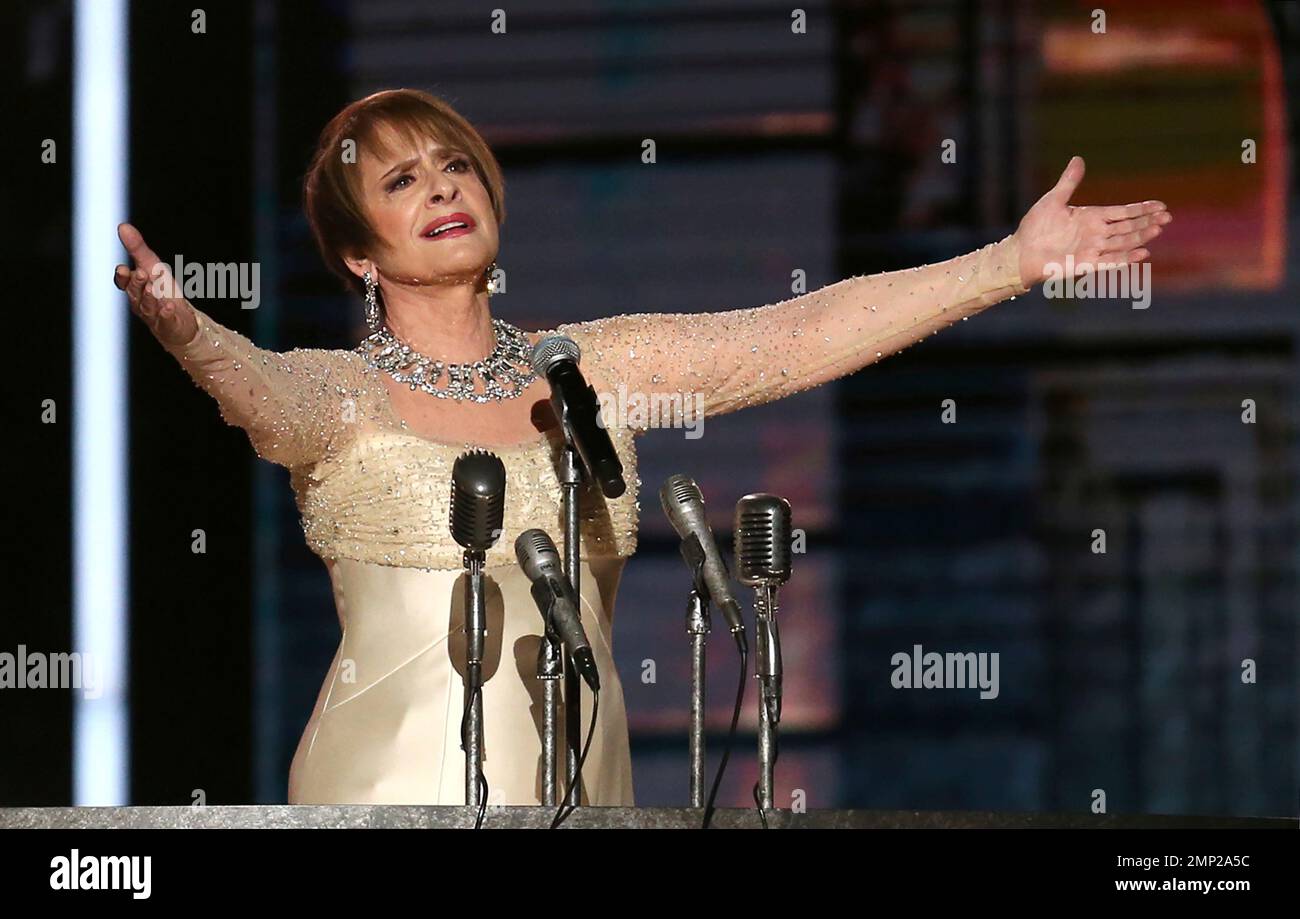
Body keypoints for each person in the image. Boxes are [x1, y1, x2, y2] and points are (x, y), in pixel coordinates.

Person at [113, 89, 1170, 806]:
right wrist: (186, 328)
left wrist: (1007, 262)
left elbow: (785, 337)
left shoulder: (589, 370)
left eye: (455, 167)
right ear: (357, 255)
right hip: (388, 787)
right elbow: (255, 391)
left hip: (583, 772)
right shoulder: (342, 394)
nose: (441, 189)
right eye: (400, 182)